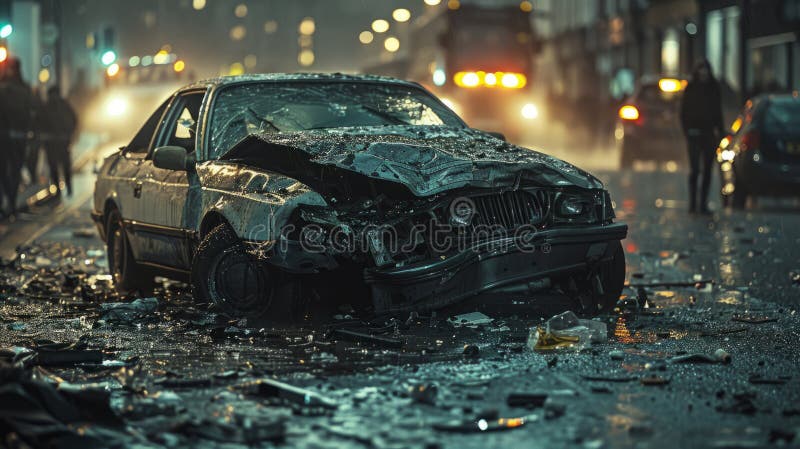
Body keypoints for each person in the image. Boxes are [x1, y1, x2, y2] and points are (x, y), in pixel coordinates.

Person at [680, 60, 725, 214]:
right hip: (694, 134)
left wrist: (720, 131)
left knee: (707, 170)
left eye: (705, 69)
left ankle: (702, 204)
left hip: (708, 135)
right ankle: (693, 204)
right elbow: (683, 111)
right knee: (694, 170)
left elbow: (718, 111)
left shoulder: (714, 88)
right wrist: (687, 131)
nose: (703, 72)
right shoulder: (691, 88)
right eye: (701, 69)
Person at [0, 58, 34, 216]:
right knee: (15, 169)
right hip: (20, 136)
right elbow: (32, 112)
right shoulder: (25, 89)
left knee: (3, 170)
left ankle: (6, 201)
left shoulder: (3, 88)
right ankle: (11, 202)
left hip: (4, 135)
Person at [43, 86, 78, 196]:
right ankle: (66, 187)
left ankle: (60, 189)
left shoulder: (48, 106)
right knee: (63, 166)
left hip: (54, 142)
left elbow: (73, 119)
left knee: (56, 166)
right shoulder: (64, 105)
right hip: (59, 141)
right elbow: (74, 119)